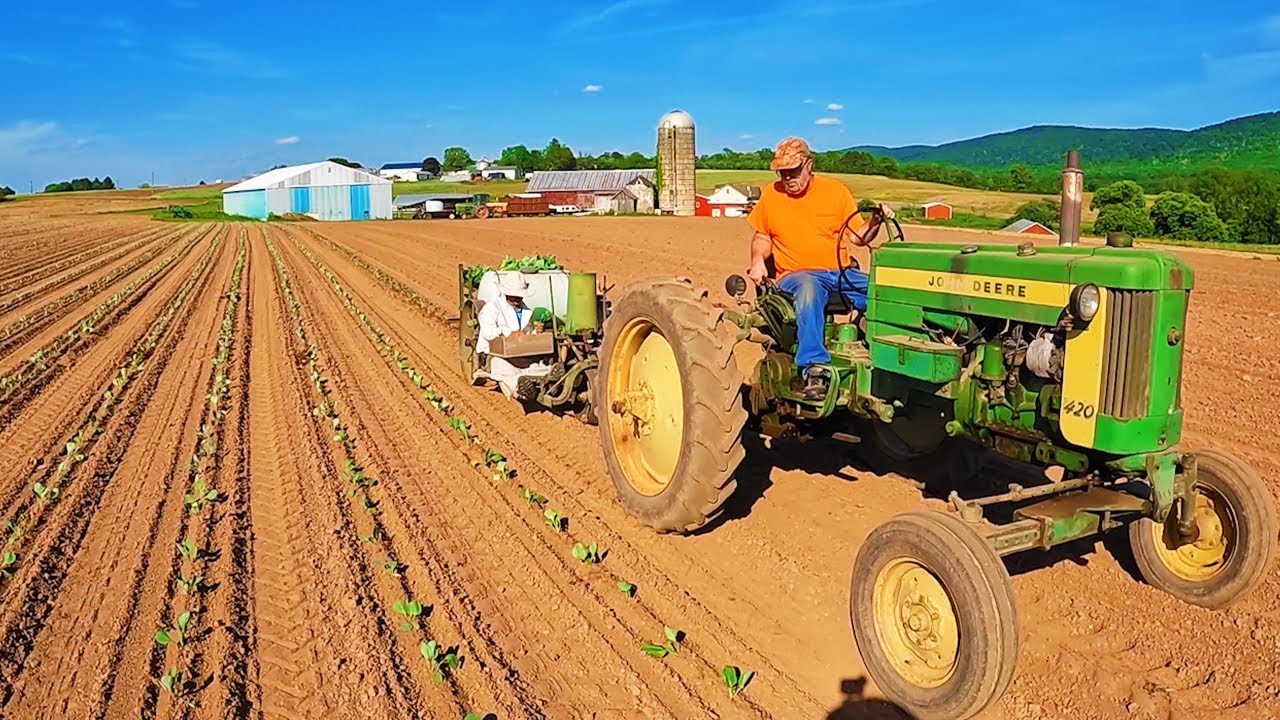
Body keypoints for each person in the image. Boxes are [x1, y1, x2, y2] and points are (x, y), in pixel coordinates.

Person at [746, 136, 895, 399]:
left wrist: (875, 221)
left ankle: (889, 358)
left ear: (809, 165)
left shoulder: (835, 191)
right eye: (783, 172)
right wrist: (758, 262)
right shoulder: (772, 194)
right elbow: (762, 237)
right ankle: (814, 368)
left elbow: (857, 237)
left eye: (793, 171)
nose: (788, 178)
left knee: (884, 290)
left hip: (840, 273)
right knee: (809, 287)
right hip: (795, 276)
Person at [477, 273, 551, 399]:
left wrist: (535, 332)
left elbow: (527, 333)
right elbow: (488, 332)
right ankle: (518, 386)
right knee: (502, 367)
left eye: (519, 296)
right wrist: (509, 332)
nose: (517, 299)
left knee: (535, 365)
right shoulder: (492, 308)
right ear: (506, 293)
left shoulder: (527, 311)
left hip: (520, 354)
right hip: (494, 354)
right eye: (514, 296)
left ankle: (536, 377)